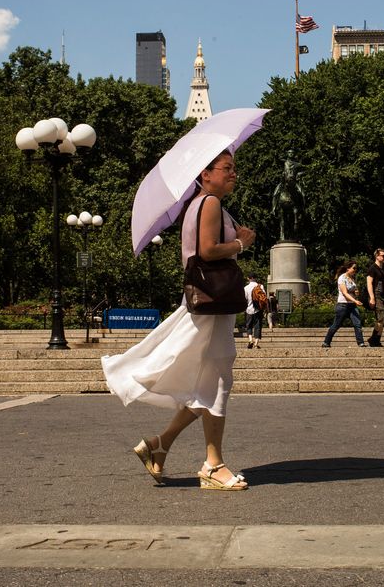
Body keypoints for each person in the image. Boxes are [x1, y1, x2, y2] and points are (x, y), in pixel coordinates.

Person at [103, 149, 255, 491]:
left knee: (207, 382)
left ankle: (160, 445)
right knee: (216, 382)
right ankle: (213, 466)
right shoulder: (210, 203)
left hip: (207, 304)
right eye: (227, 168)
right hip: (212, 304)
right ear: (205, 173)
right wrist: (240, 244)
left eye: (234, 168)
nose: (234, 174)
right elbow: (206, 251)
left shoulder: (200, 205)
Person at [322, 260, 367, 348]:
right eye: (354, 268)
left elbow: (354, 291)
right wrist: (355, 301)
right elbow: (345, 293)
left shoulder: (352, 278)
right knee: (336, 325)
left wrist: (356, 292)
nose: (355, 270)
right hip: (343, 305)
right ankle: (326, 342)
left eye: (356, 268)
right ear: (348, 268)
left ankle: (361, 343)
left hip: (352, 305)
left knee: (357, 324)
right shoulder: (342, 278)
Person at [365, 248, 384, 347]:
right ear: (377, 256)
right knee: (382, 317)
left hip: (382, 295)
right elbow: (369, 283)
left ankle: (376, 340)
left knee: (383, 319)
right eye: (383, 255)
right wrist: (372, 297)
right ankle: (373, 339)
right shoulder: (372, 268)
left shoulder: (382, 269)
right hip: (376, 295)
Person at [243, 274, 265, 349]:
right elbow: (263, 298)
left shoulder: (246, 288)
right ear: (255, 278)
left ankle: (250, 339)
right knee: (258, 326)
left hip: (248, 309)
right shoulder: (260, 286)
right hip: (258, 310)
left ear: (248, 278)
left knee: (248, 325)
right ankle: (256, 343)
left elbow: (244, 299)